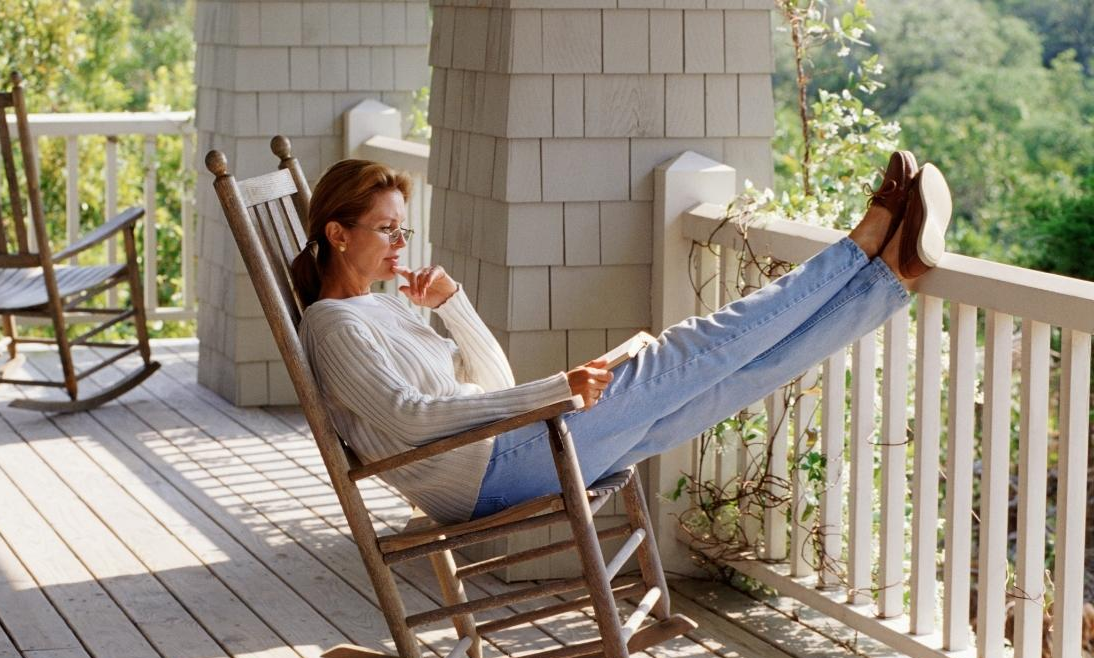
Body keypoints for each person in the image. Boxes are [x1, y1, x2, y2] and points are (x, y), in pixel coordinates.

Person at [293, 152, 951, 524]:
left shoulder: (387, 309)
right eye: (386, 230)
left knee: (731, 380)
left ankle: (891, 277)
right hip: (488, 473)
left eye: (403, 232)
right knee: (692, 347)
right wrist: (557, 392)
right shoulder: (333, 324)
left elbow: (488, 384)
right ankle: (862, 246)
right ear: (338, 233)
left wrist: (454, 307)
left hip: (508, 449)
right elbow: (413, 420)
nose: (399, 247)